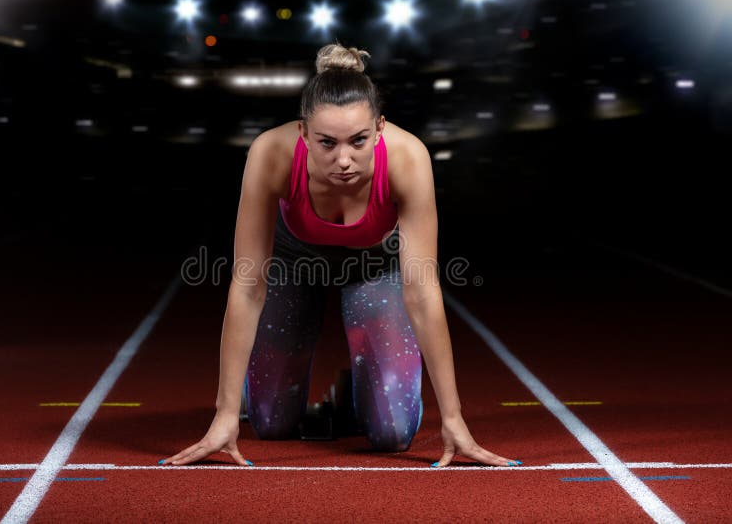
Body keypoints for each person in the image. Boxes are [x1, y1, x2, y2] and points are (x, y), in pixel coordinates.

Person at [162, 43, 520, 468]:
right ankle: (257, 400)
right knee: (271, 424)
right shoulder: (270, 153)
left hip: (374, 263)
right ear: (302, 132)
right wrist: (223, 415)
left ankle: (356, 392)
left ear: (380, 128)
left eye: (359, 141)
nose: (344, 160)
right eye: (326, 143)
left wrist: (454, 418)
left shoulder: (408, 158)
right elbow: (247, 288)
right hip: (293, 259)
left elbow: (423, 293)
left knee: (392, 434)